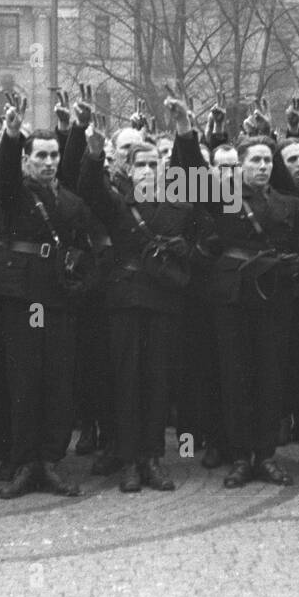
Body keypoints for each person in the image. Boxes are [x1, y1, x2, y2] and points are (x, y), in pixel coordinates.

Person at [173, 106, 299, 489]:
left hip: (274, 297)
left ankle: (266, 455)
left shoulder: (288, 203)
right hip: (232, 298)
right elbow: (193, 173)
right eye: (255, 160)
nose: (263, 167)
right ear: (241, 165)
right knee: (235, 377)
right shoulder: (227, 199)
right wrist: (185, 130)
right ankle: (241, 457)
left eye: (268, 160)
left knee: (270, 377)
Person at [77, 113, 195, 492]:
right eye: (139, 165)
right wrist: (93, 155)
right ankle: (129, 459)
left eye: (153, 165)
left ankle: (152, 458)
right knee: (126, 378)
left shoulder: (177, 204)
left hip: (162, 299)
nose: (147, 170)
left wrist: (184, 134)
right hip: (126, 298)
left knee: (158, 379)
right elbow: (89, 189)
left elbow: (198, 177)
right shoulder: (116, 203)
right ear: (128, 169)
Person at [0, 104, 104, 499]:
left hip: (58, 297)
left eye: (54, 155)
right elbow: (3, 174)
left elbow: (91, 246)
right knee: (25, 377)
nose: (49, 162)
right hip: (24, 297)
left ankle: (50, 461)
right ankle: (25, 462)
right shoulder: (15, 194)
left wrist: (84, 282)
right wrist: (8, 135)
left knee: (57, 379)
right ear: (26, 159)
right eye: (40, 155)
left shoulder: (71, 202)